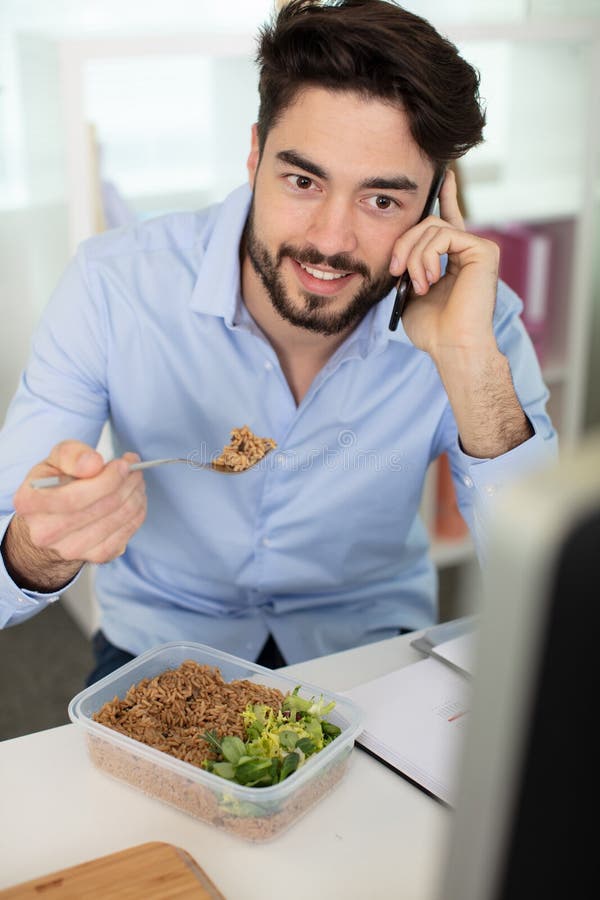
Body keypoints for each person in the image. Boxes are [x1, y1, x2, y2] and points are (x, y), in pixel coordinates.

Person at [0, 0, 557, 682]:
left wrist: (470, 365)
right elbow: (6, 565)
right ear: (255, 153)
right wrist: (40, 546)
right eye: (302, 180)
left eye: (381, 200)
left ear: (438, 202)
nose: (329, 240)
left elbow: (554, 588)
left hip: (370, 650)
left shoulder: (474, 318)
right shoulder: (112, 286)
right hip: (160, 652)